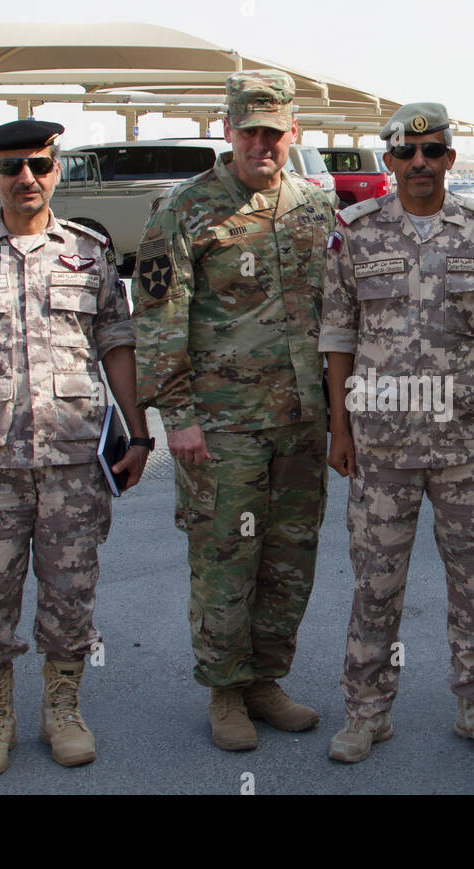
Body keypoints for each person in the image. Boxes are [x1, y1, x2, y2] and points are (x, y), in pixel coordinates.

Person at [0, 119, 149, 777]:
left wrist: (136, 433)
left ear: (57, 171)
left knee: (71, 588)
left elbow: (116, 341)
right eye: (12, 166)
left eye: (40, 166)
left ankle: (63, 707)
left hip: (73, 457)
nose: (26, 178)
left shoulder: (88, 250)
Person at [133, 71, 335, 752]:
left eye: (273, 133)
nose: (261, 144)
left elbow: (335, 314)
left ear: (292, 134)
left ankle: (266, 680)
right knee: (226, 560)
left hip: (303, 422)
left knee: (289, 559)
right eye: (249, 131)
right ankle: (224, 689)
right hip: (222, 426)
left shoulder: (314, 206)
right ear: (227, 131)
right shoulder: (185, 209)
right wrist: (179, 416)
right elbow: (160, 320)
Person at [320, 102, 474, 763]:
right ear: (388, 162)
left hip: (466, 439)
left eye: (431, 151)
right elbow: (337, 337)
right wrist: (339, 428)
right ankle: (366, 711)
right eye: (405, 153)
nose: (418, 163)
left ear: (449, 159)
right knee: (375, 583)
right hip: (381, 443)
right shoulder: (354, 233)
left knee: (473, 582)